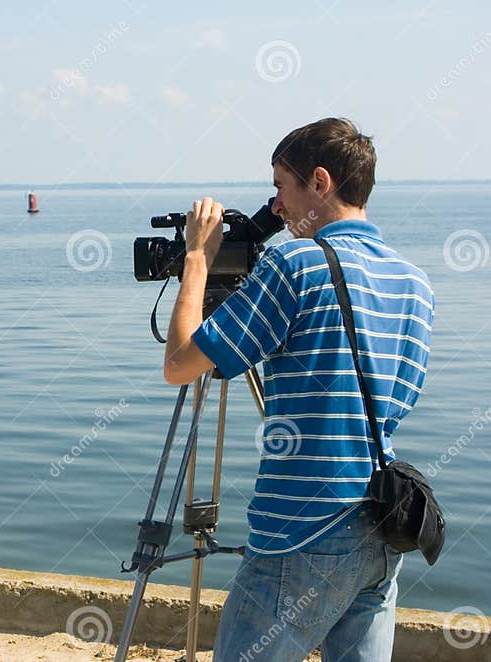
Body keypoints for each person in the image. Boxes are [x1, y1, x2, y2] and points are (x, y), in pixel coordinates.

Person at [163, 118, 433, 661]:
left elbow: (180, 364)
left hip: (302, 527)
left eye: (281, 188)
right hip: (382, 522)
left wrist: (197, 258)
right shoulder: (415, 282)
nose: (277, 208)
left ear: (320, 181)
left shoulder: (295, 264)